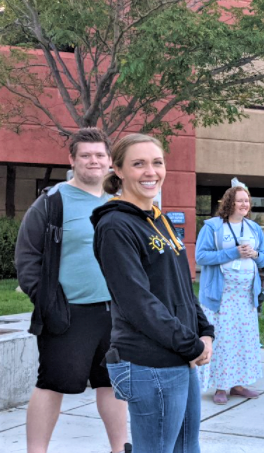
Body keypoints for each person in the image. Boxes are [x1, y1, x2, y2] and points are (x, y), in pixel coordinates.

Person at [91, 134, 214, 453]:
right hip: (149, 364)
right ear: (117, 169)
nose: (151, 171)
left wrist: (205, 331)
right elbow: (137, 302)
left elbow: (182, 287)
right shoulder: (116, 226)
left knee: (187, 447)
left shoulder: (160, 221)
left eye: (157, 162)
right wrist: (190, 345)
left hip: (180, 357)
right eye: (138, 163)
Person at [15, 128, 130, 453]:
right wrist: (49, 303)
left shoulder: (118, 204)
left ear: (110, 161)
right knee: (52, 385)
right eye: (86, 155)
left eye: (100, 155)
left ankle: (119, 448)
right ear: (72, 160)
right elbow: (27, 259)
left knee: (112, 385)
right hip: (68, 315)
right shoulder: (52, 202)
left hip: (116, 315)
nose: (93, 161)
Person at [196, 184, 264, 404]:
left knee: (243, 340)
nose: (245, 204)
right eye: (240, 200)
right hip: (221, 297)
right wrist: (233, 252)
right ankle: (220, 386)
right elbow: (201, 256)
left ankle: (238, 384)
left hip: (246, 297)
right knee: (222, 340)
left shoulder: (253, 228)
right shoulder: (212, 227)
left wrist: (254, 254)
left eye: (247, 200)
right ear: (229, 202)